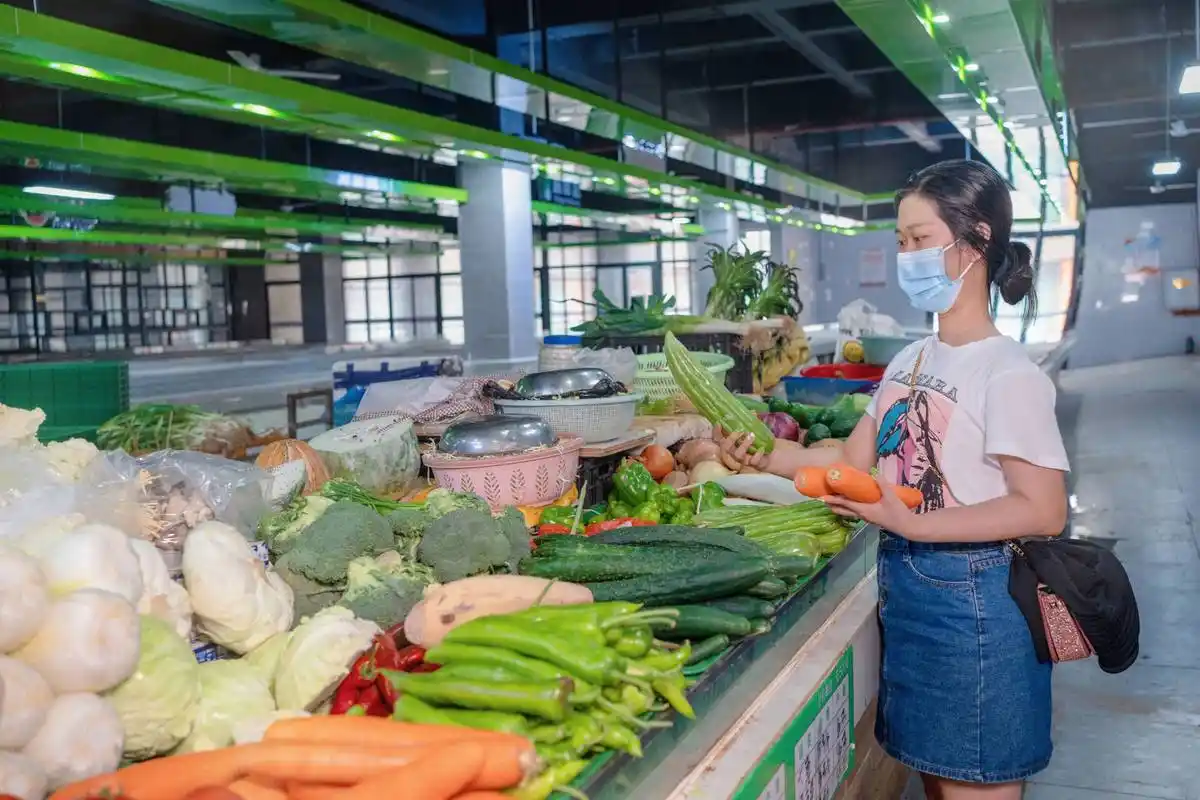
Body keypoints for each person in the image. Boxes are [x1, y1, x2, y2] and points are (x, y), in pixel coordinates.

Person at [715, 159, 1069, 800]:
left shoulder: (1008, 373)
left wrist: (915, 522)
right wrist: (762, 456)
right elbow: (848, 467)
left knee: (975, 785)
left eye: (921, 239)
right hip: (910, 596)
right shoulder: (911, 360)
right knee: (937, 784)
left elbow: (1044, 509)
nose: (906, 255)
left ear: (978, 241)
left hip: (977, 610)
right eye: (900, 241)